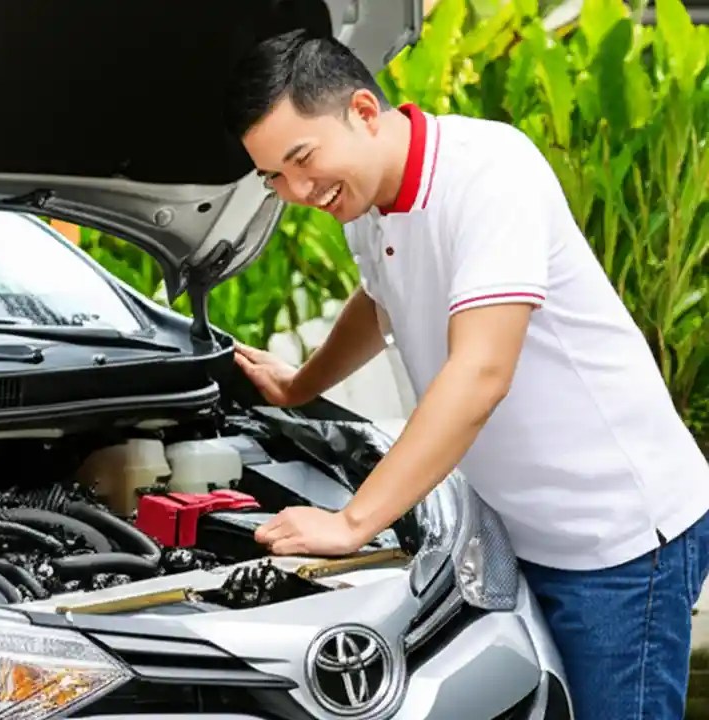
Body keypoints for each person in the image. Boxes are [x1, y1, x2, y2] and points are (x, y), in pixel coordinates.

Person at [223, 28, 709, 719]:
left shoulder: (488, 172)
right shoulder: (363, 197)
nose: (298, 190)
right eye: (274, 176)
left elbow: (481, 371)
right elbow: (380, 296)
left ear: (363, 111)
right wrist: (302, 386)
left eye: (302, 159)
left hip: (615, 539)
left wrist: (353, 523)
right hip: (517, 530)